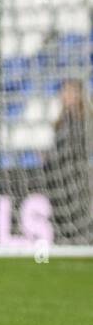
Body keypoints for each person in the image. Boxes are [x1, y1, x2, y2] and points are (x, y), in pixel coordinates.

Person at [43, 78, 92, 243]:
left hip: (78, 179)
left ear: (78, 95)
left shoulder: (83, 121)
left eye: (68, 91)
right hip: (59, 179)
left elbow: (77, 150)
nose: (64, 95)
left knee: (80, 216)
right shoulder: (62, 121)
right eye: (63, 91)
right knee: (61, 217)